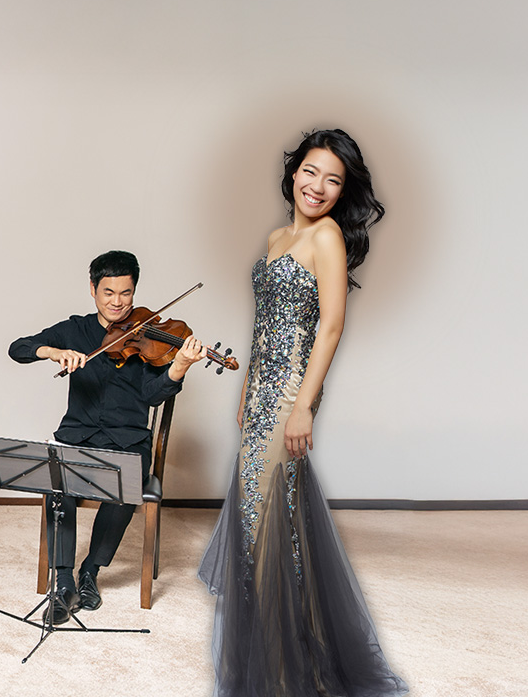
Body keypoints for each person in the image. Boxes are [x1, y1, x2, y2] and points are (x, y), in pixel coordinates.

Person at [197, 129, 407, 695]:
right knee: (265, 527)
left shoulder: (327, 238)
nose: (319, 187)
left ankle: (287, 672)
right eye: (311, 172)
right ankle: (283, 658)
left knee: (266, 528)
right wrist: (246, 388)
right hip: (261, 392)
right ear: (294, 173)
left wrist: (304, 408)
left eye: (333, 180)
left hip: (290, 395)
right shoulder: (276, 237)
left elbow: (330, 326)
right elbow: (266, 321)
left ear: (342, 192)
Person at [9, 250, 206, 624]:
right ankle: (64, 579)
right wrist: (53, 352)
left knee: (125, 490)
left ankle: (91, 572)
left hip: (127, 441)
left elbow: (151, 396)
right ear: (93, 289)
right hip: (78, 436)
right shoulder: (76, 330)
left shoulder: (148, 335)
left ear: (135, 291)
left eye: (126, 293)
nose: (117, 302)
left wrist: (178, 368)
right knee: (57, 483)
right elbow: (17, 348)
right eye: (109, 292)